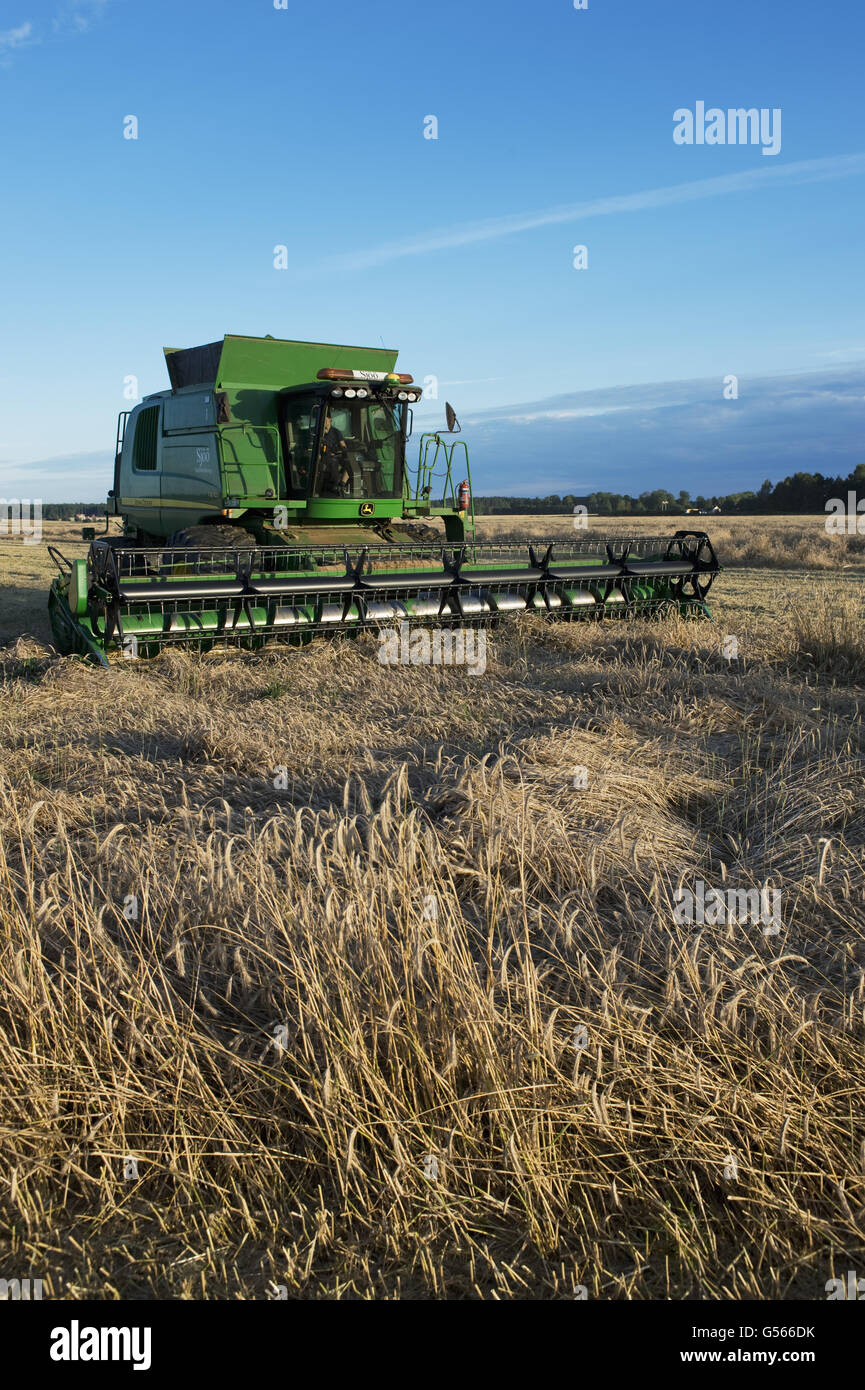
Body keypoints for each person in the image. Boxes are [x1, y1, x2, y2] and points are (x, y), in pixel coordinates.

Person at [320, 411, 351, 494]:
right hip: (322, 457)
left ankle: (341, 485)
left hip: (336, 455)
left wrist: (340, 451)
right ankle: (332, 486)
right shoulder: (319, 433)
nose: (324, 422)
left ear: (330, 419)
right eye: (322, 420)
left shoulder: (336, 432)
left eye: (325, 420)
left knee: (350, 463)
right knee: (332, 462)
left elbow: (343, 446)